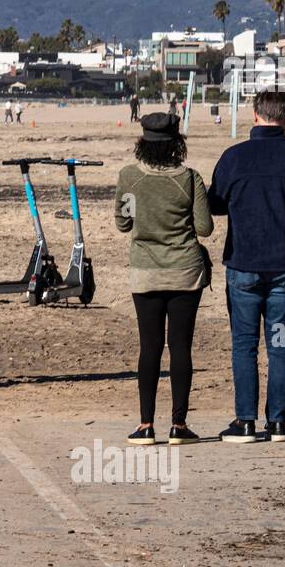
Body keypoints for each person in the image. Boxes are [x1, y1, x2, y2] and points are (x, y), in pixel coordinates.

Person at [208, 90, 285, 443]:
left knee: (244, 345)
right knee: (279, 345)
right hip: (284, 268)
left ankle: (245, 421)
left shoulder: (233, 158)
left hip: (244, 266)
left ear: (255, 115)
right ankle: (277, 423)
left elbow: (215, 204)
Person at [114, 113, 213, 446]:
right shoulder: (190, 179)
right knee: (181, 346)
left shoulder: (129, 177)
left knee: (150, 347)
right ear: (177, 144)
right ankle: (179, 425)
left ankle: (145, 424)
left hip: (145, 271)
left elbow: (123, 224)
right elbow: (204, 228)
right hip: (185, 270)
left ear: (142, 143)